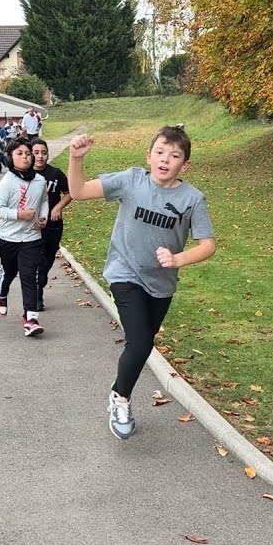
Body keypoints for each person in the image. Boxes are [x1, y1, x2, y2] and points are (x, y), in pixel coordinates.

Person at [66, 127, 216, 440]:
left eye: (175, 156)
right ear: (148, 156)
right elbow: (78, 192)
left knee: (144, 342)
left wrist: (177, 260)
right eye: (160, 152)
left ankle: (119, 387)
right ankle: (120, 399)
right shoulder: (131, 181)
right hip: (125, 273)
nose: (165, 160)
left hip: (161, 284)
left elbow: (207, 244)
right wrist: (75, 159)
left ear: (184, 165)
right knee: (141, 343)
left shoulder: (192, 199)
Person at [0, 138, 48, 337]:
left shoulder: (40, 181)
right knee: (9, 270)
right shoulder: (7, 182)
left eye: (28, 153)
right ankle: (1, 294)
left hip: (31, 237)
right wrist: (18, 214)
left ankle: (30, 318)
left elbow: (44, 200)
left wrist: (43, 217)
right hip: (8, 237)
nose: (25, 157)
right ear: (10, 158)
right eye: (19, 154)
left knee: (29, 275)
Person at [31, 138, 70, 311]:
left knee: (46, 261)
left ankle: (40, 285)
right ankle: (36, 297)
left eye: (43, 153)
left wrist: (58, 207)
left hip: (53, 224)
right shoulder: (24, 174)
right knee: (36, 261)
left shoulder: (55, 174)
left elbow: (70, 193)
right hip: (31, 226)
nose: (40, 157)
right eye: (36, 153)